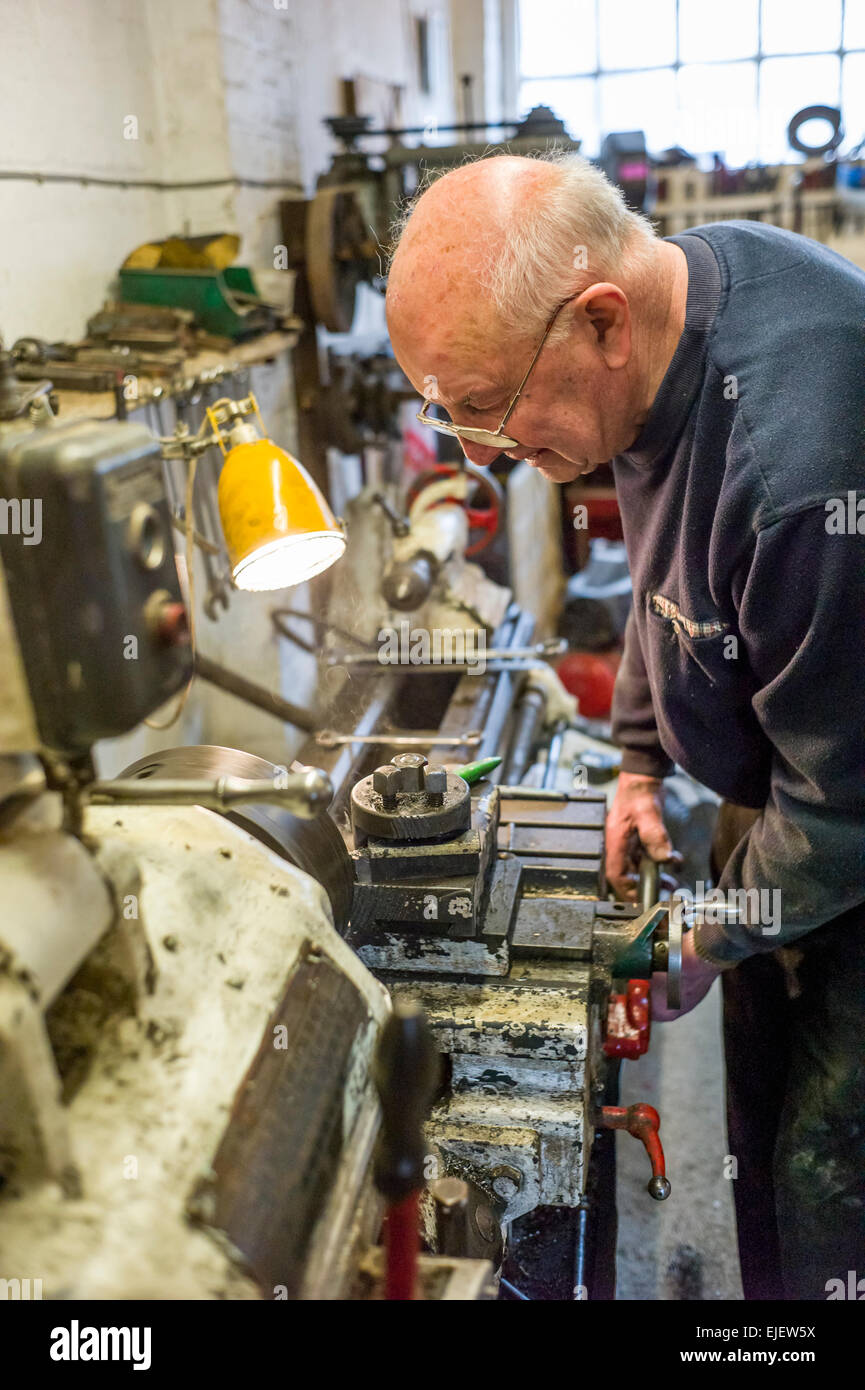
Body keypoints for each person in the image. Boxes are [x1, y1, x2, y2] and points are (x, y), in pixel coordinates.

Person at [385, 151, 865, 1300]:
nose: (479, 456)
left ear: (597, 319)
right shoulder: (668, 326)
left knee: (823, 1190)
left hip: (845, 830)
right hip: (789, 793)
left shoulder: (803, 471)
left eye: (489, 408)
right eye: (446, 414)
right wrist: (640, 764)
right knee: (756, 1118)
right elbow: (666, 576)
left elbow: (843, 803)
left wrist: (707, 936)